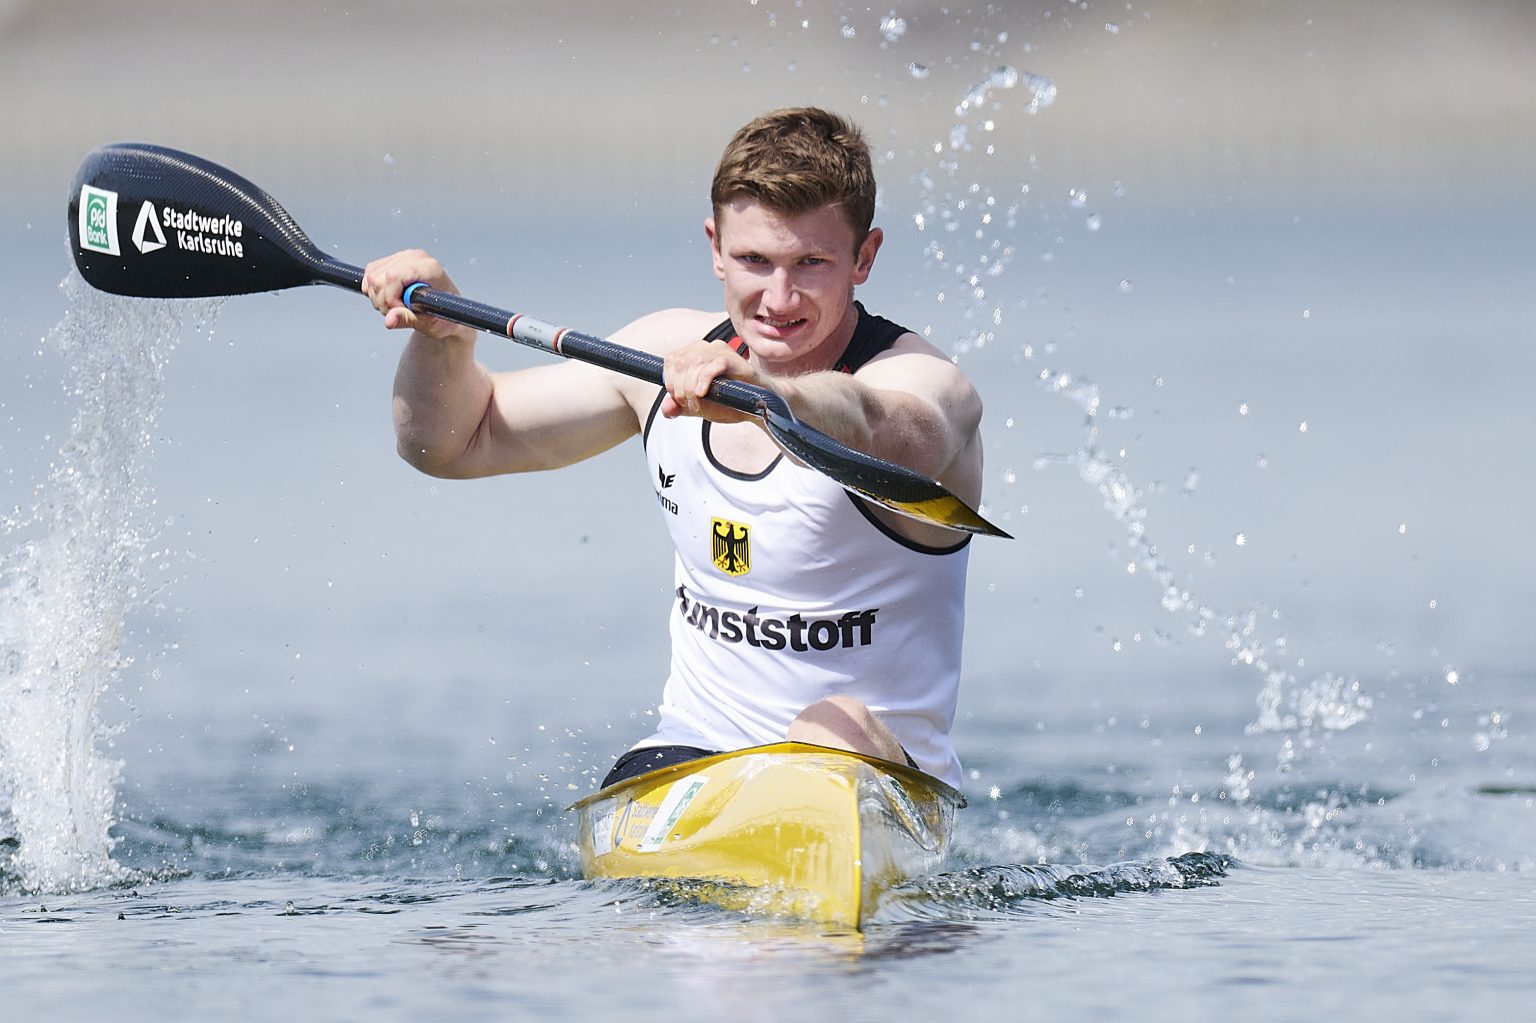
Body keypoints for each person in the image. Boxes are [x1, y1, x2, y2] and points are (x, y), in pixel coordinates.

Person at [362, 108, 983, 790]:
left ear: (864, 257)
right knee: (630, 780)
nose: (779, 297)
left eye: (811, 262)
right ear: (715, 246)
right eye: (754, 260)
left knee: (830, 722)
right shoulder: (662, 356)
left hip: (872, 774)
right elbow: (449, 444)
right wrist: (442, 340)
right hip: (699, 751)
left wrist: (771, 396)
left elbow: (885, 431)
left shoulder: (926, 381)